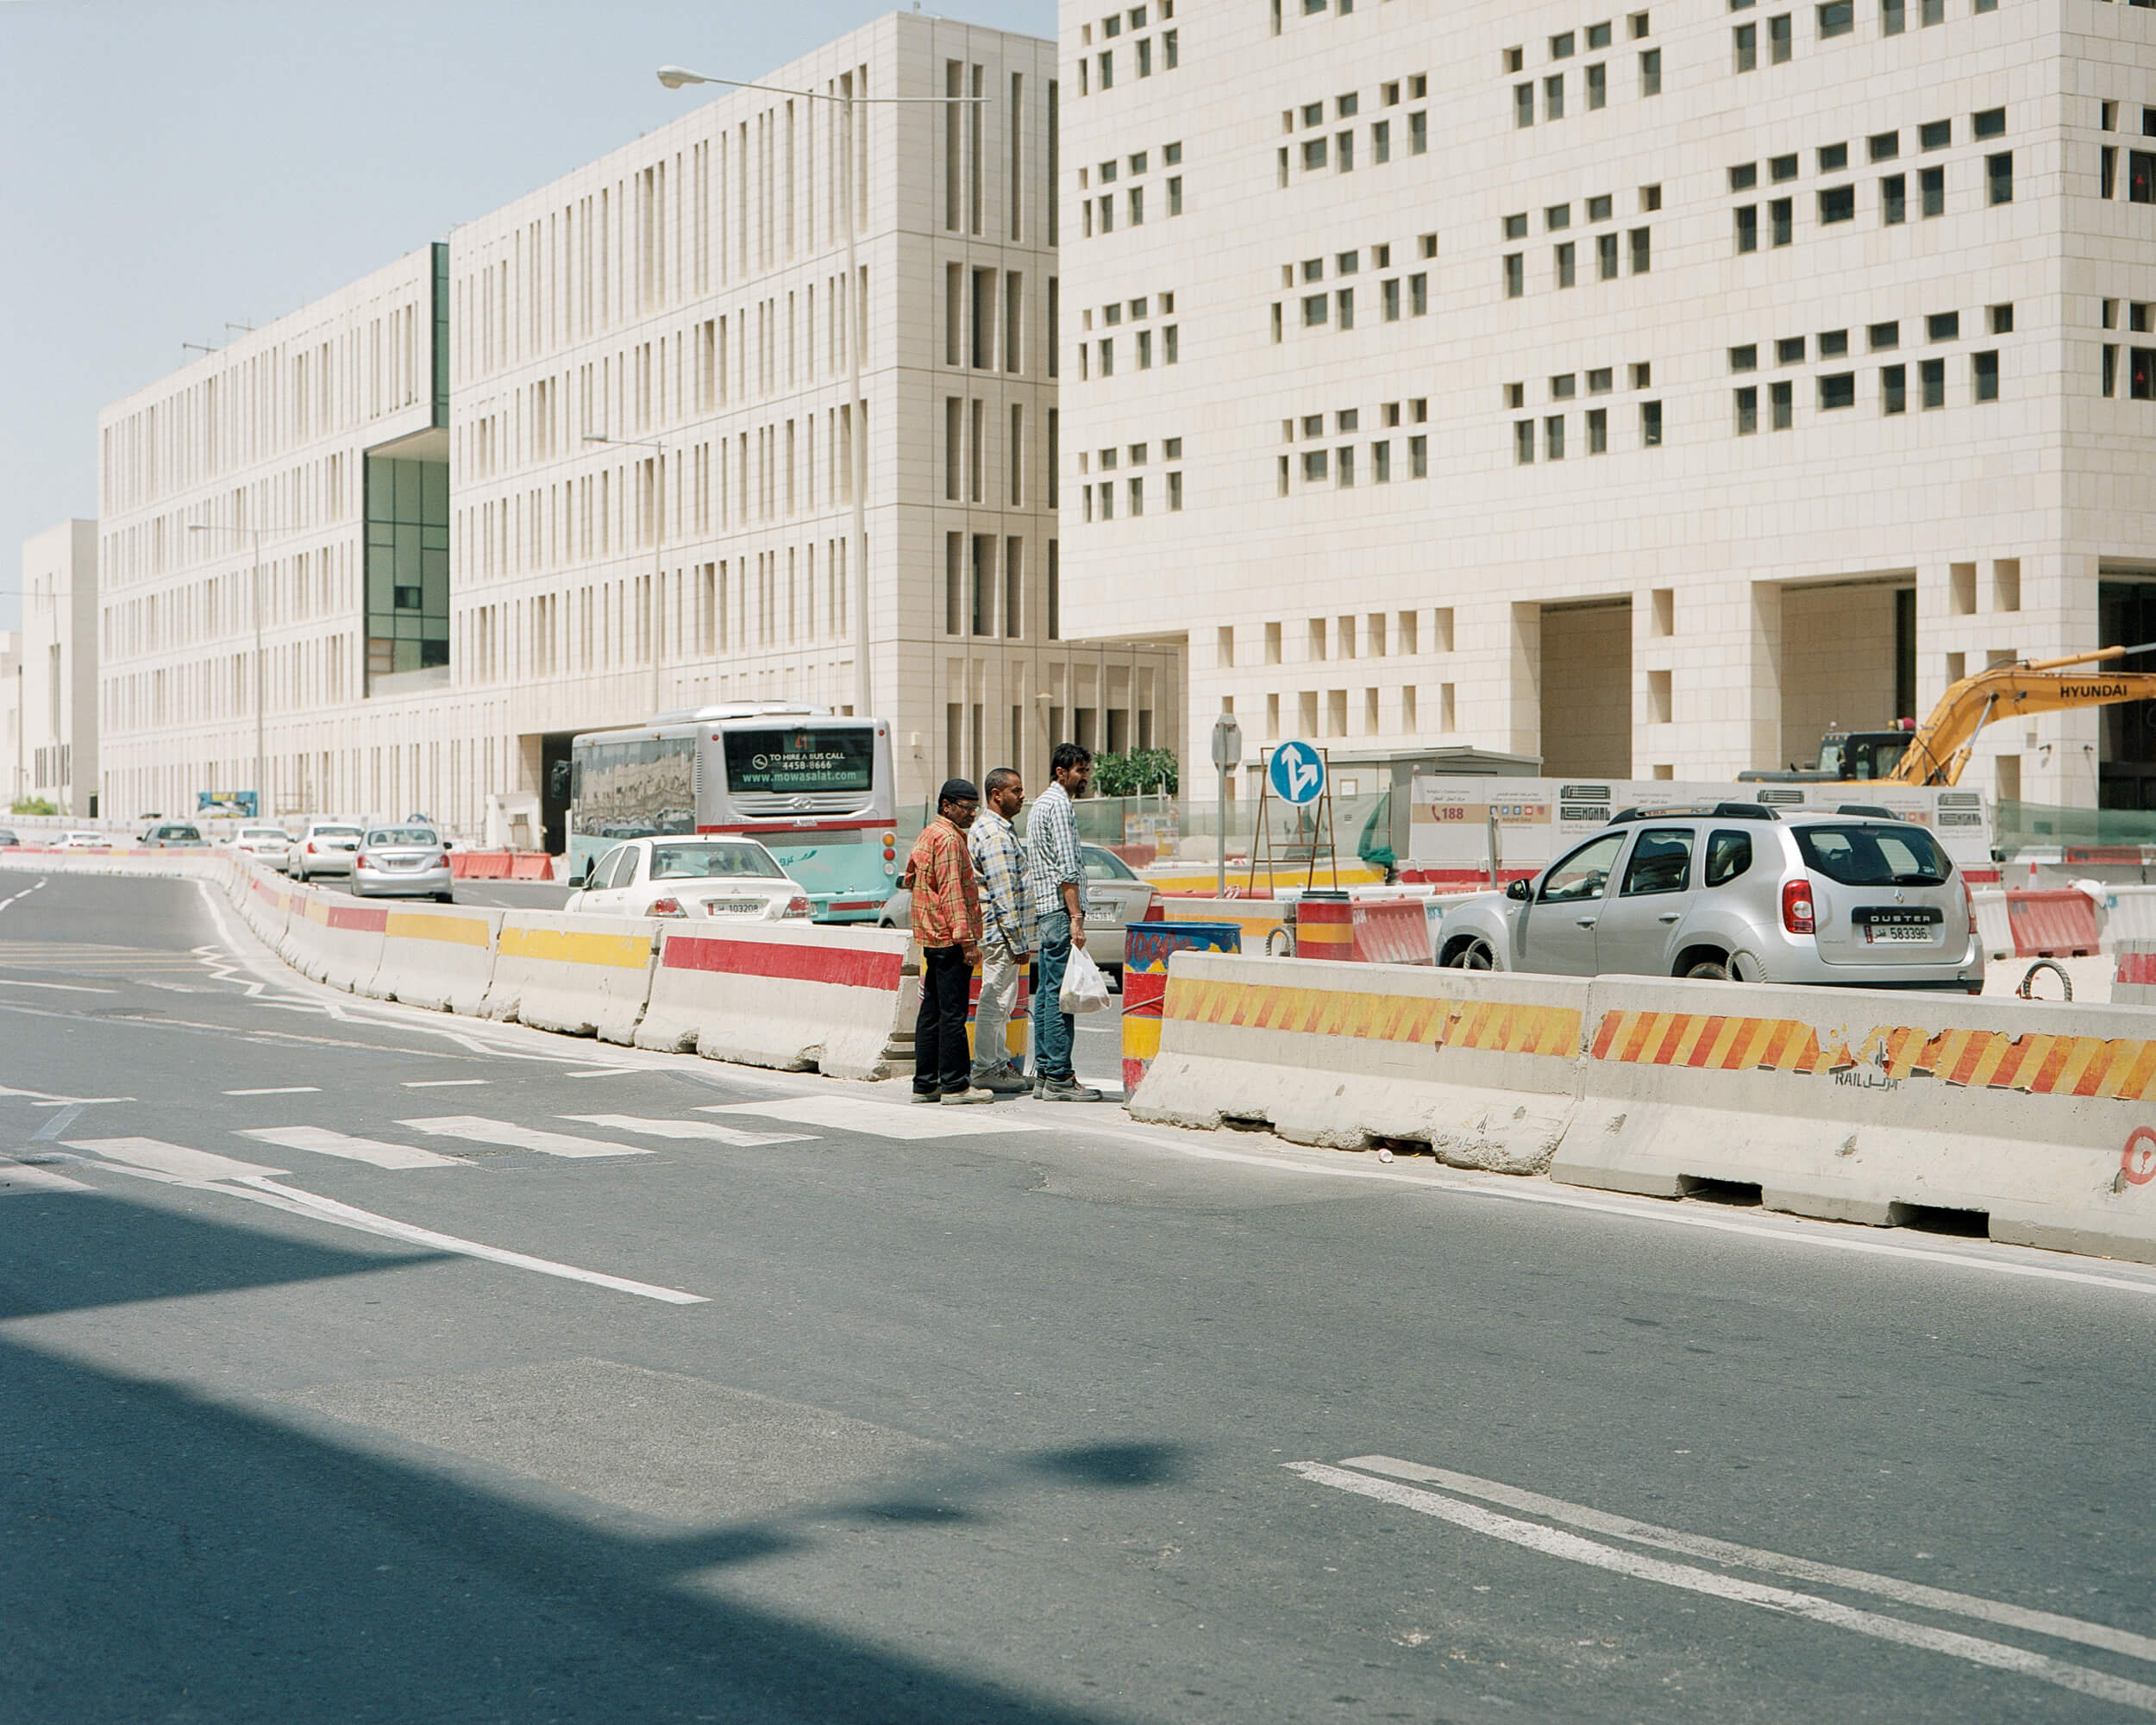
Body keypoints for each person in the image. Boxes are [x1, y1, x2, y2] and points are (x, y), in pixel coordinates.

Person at [1024, 742, 1103, 1101]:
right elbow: (1067, 869)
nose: (1085, 777)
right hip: (1059, 910)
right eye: (1080, 771)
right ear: (1061, 772)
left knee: (1047, 993)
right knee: (1061, 995)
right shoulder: (1059, 807)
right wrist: (1076, 918)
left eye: (1086, 770)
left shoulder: (1041, 804)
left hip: (1045, 909)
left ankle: (1044, 1073)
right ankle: (1058, 1075)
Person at [906, 779, 993, 1104]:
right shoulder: (950, 840)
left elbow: (911, 877)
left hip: (932, 937)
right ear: (947, 806)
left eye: (974, 808)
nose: (971, 814)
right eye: (966, 808)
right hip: (950, 939)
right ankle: (956, 1085)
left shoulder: (929, 834)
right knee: (954, 1014)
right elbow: (954, 894)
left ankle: (926, 1084)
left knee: (932, 1012)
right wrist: (967, 942)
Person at [967, 767, 1032, 1095]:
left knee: (1002, 1001)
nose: (1022, 797)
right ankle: (986, 1068)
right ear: (996, 795)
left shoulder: (998, 829)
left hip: (998, 933)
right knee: (995, 1001)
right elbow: (1004, 894)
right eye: (1016, 791)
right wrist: (1018, 941)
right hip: (1000, 934)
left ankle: (998, 1064)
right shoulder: (994, 835)